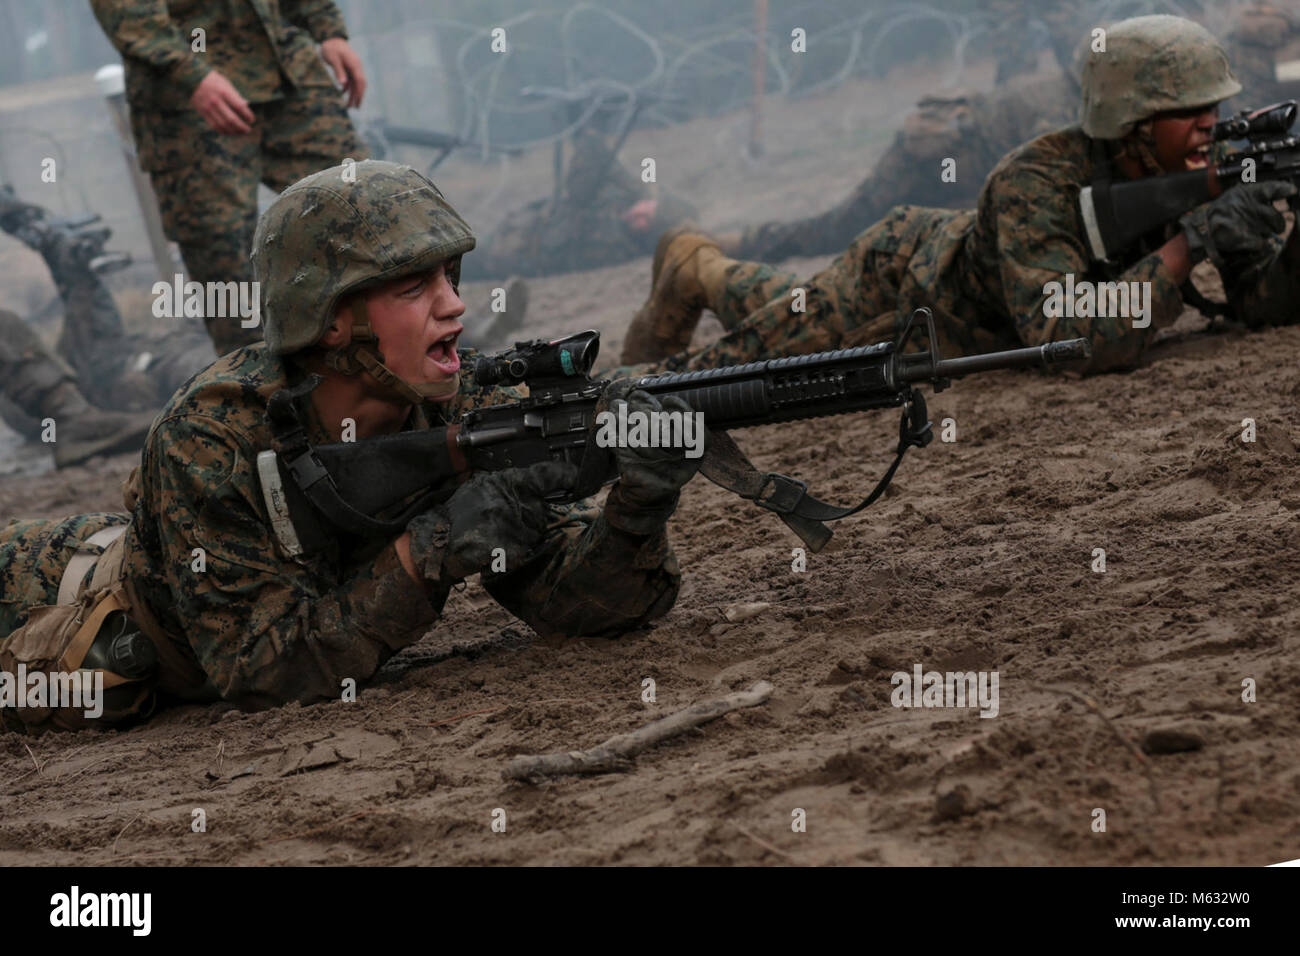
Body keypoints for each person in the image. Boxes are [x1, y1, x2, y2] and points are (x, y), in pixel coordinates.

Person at [0, 160, 699, 733]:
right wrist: (426, 555)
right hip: (52, 596)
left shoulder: (463, 404)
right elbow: (261, 674)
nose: (453, 303)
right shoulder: (214, 433)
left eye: (450, 276)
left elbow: (586, 605)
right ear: (332, 320)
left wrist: (638, 504)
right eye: (414, 284)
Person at [619, 15, 1300, 377]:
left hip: (966, 290)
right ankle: (696, 273)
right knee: (711, 377)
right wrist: (1187, 248)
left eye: (1215, 107)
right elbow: (1068, 339)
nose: (1212, 123)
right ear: (1131, 119)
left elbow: (1260, 301)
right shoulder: (1036, 179)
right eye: (1189, 109)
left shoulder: (1210, 162)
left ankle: (699, 267)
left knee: (784, 303)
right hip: (902, 287)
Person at [89, 0, 371, 355]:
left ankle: (394, 355)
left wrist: (329, 30)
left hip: (288, 72)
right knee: (224, 263)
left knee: (361, 208)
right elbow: (126, 11)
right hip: (187, 96)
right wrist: (190, 73)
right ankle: (258, 392)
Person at [462, 128, 697, 280]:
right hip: (515, 230)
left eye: (646, 224)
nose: (639, 218)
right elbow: (615, 173)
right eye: (646, 210)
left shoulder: (612, 245)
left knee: (452, 262)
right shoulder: (625, 202)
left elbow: (579, 192)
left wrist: (590, 137)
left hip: (506, 255)